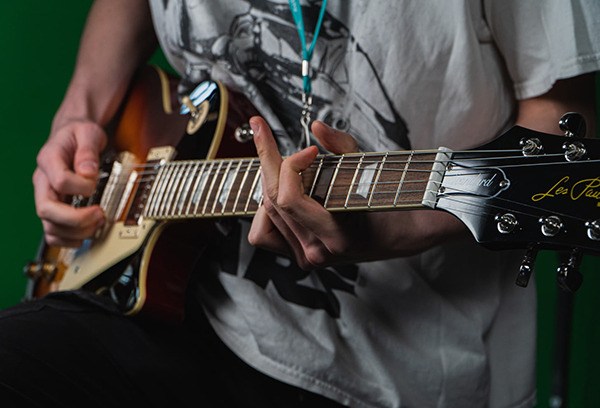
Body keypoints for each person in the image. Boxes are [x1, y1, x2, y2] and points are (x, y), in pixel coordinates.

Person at [2, 0, 599, 407]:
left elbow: (563, 146)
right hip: (171, 302)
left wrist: (389, 233)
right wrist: (81, 111)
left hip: (385, 369)